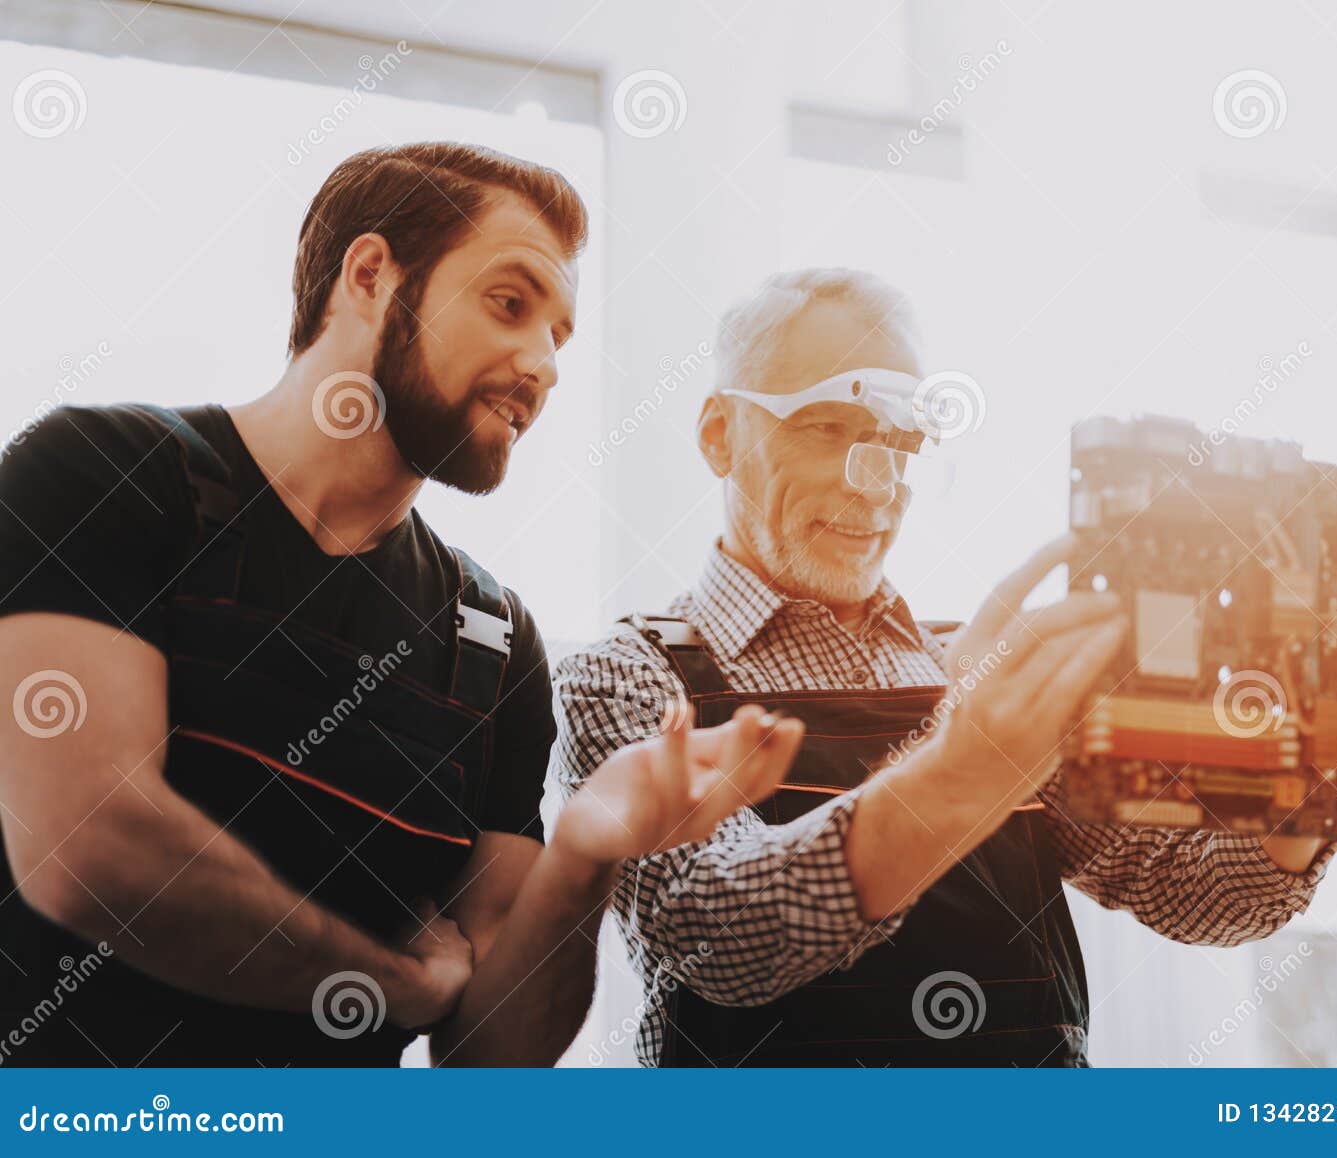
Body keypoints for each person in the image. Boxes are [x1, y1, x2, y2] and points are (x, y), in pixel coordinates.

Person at [552, 267, 1337, 1066]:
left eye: (901, 439)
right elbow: (719, 939)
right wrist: (957, 758)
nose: (877, 484)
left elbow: (1193, 894)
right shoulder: (629, 678)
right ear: (721, 432)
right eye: (827, 428)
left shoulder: (986, 665)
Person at [0, 142, 803, 1067]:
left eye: (560, 337)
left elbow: (491, 1060)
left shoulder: (495, 639)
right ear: (373, 275)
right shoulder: (107, 474)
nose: (541, 364)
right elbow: (92, 853)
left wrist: (587, 854)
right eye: (511, 304)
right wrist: (392, 984)